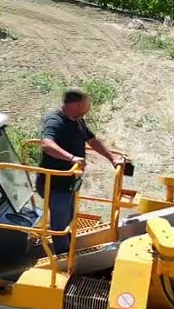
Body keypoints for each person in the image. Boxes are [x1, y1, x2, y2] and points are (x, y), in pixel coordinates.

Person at [38, 87, 122, 253]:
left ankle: (68, 246)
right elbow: (46, 144)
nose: (88, 108)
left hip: (70, 181)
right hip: (55, 183)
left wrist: (112, 157)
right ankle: (62, 257)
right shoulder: (54, 121)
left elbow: (92, 140)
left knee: (68, 217)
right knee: (60, 223)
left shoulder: (77, 121)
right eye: (86, 104)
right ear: (76, 104)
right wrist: (71, 158)